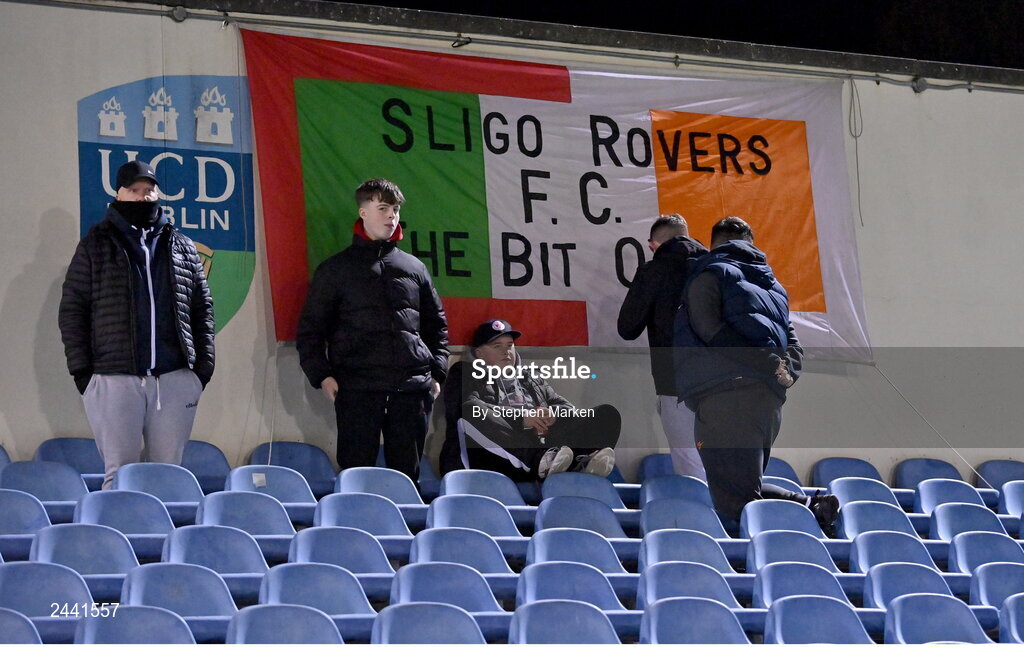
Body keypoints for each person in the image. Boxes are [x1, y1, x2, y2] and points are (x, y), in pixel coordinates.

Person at [674, 217, 839, 534]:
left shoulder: (709, 274)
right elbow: (792, 340)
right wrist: (785, 368)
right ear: (751, 243)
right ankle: (809, 506)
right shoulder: (774, 288)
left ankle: (785, 541)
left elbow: (710, 331)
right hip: (767, 402)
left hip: (725, 396)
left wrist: (766, 363)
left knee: (734, 500)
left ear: (715, 243)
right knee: (742, 487)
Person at [59, 160, 215, 489]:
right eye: (135, 190)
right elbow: (73, 310)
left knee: (169, 477)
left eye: (149, 191)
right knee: (120, 478)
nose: (143, 197)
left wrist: (201, 370)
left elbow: (202, 309)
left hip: (175, 379)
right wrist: (84, 375)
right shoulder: (95, 246)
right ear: (119, 194)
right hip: (113, 378)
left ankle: (167, 542)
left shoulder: (182, 246)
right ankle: (118, 540)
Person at [296, 178, 448, 483]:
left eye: (395, 209)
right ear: (362, 212)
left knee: (407, 480)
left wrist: (436, 374)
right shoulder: (335, 269)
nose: (391, 216)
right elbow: (311, 331)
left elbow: (437, 326)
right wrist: (322, 375)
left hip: (412, 390)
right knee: (356, 478)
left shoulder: (415, 268)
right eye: (382, 208)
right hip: (357, 389)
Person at [443, 318, 620, 481]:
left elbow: (566, 407)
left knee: (606, 414)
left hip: (545, 450)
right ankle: (538, 461)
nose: (506, 351)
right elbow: (464, 411)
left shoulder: (531, 377)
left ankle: (581, 462)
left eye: (510, 345)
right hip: (492, 459)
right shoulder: (464, 372)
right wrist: (522, 419)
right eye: (497, 346)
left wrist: (551, 416)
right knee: (473, 410)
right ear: (480, 353)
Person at [617, 214, 707, 479]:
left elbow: (628, 327)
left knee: (689, 460)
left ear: (653, 245)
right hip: (724, 379)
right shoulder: (717, 266)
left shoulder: (655, 270)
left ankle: (701, 518)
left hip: (675, 379)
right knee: (723, 458)